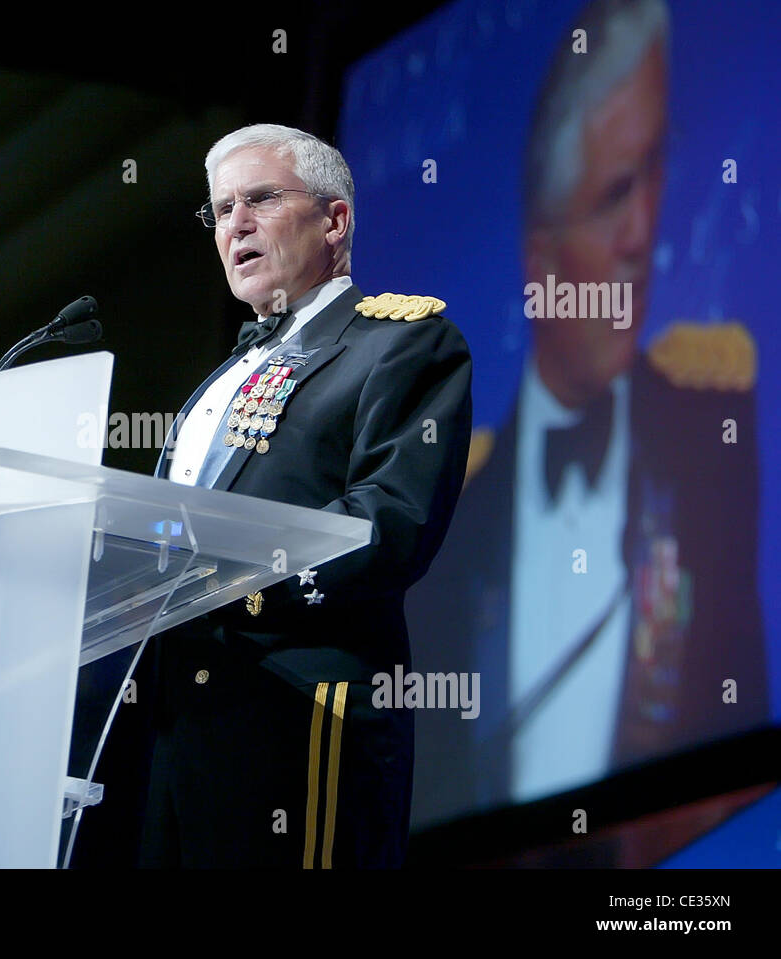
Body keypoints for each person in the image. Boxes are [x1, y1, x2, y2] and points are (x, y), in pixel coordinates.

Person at [408, 0, 767, 827]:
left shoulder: (711, 436)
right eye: (612, 195)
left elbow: (740, 758)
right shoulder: (452, 516)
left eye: (652, 171)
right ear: (538, 260)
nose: (644, 230)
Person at [136, 123, 472, 867]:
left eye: (259, 199)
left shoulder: (400, 345)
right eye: (221, 210)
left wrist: (222, 574)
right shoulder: (213, 386)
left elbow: (388, 523)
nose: (235, 225)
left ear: (335, 220)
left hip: (304, 712)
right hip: (176, 730)